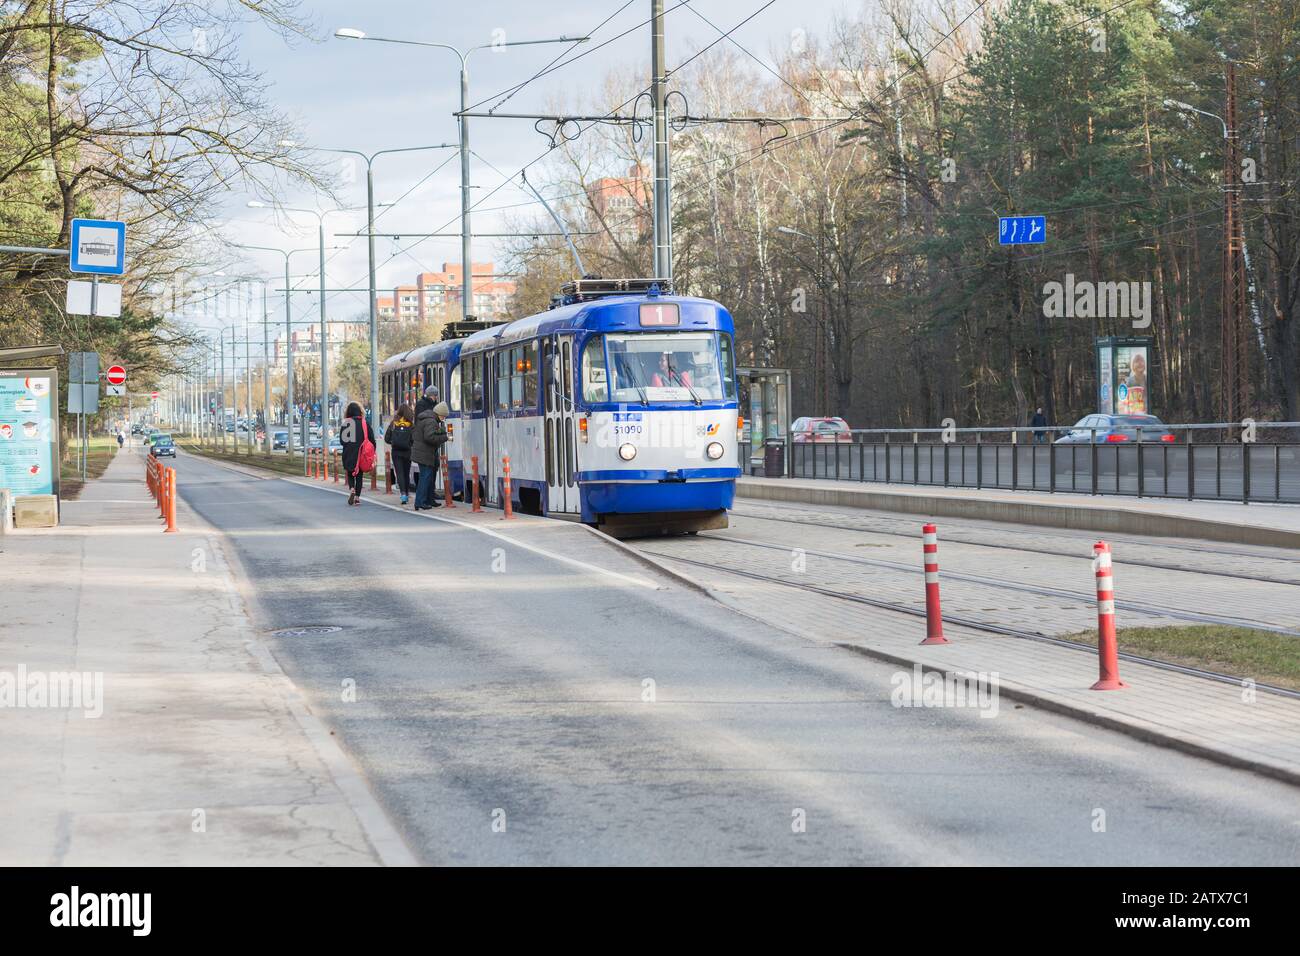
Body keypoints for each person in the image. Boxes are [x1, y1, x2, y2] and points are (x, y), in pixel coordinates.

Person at [411, 399, 449, 510]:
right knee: (425, 478)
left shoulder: (427, 419)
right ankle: (420, 502)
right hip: (425, 454)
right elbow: (430, 437)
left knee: (426, 477)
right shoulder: (431, 421)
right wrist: (445, 437)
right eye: (443, 416)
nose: (443, 419)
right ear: (439, 414)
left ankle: (425, 500)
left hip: (423, 453)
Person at [339, 401, 372, 507]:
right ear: (360, 411)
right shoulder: (364, 423)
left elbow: (342, 441)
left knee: (350, 472)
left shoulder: (346, 423)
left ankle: (352, 488)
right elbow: (371, 439)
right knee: (359, 475)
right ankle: (357, 498)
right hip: (361, 453)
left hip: (349, 452)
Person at [384, 402, 416, 505]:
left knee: (400, 473)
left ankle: (403, 495)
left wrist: (394, 442)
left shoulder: (394, 423)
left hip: (396, 452)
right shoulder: (411, 424)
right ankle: (406, 492)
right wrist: (409, 444)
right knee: (406, 473)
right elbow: (414, 439)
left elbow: (386, 438)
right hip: (407, 452)